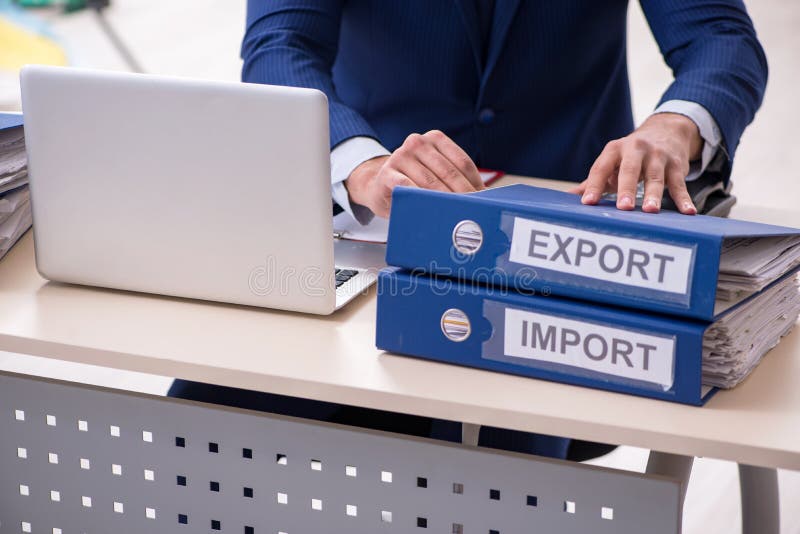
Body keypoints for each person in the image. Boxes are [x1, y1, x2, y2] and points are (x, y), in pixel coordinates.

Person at [170, 0, 767, 460]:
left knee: (503, 457)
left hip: (563, 254)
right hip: (372, 229)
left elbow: (719, 37)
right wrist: (360, 162)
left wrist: (674, 125)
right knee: (197, 433)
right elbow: (279, 44)